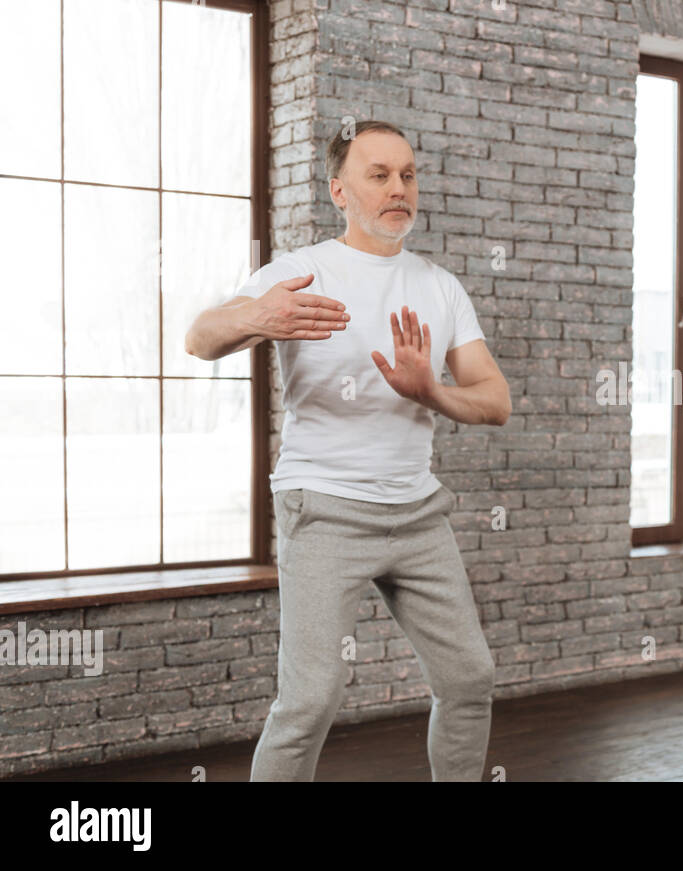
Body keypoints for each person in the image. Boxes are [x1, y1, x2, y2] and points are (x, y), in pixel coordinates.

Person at [184, 120, 511, 781]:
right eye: (379, 175)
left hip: (417, 513)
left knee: (470, 677)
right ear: (340, 190)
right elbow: (200, 335)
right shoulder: (303, 272)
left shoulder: (440, 285)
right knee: (309, 697)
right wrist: (257, 318)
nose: (399, 189)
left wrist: (432, 390)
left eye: (408, 175)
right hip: (324, 509)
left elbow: (494, 399)